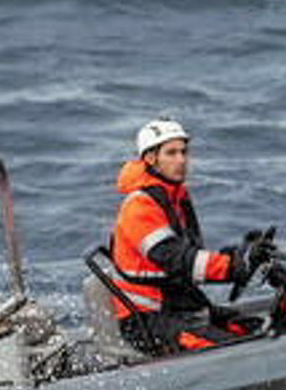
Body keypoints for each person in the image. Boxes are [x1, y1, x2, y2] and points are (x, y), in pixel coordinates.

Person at [109, 116, 273, 354]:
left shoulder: (174, 198)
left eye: (184, 152)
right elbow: (178, 259)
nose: (181, 160)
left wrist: (239, 255)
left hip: (180, 307)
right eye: (171, 153)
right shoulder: (140, 207)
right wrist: (234, 266)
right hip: (150, 321)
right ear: (151, 159)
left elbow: (192, 255)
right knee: (237, 351)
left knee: (255, 328)